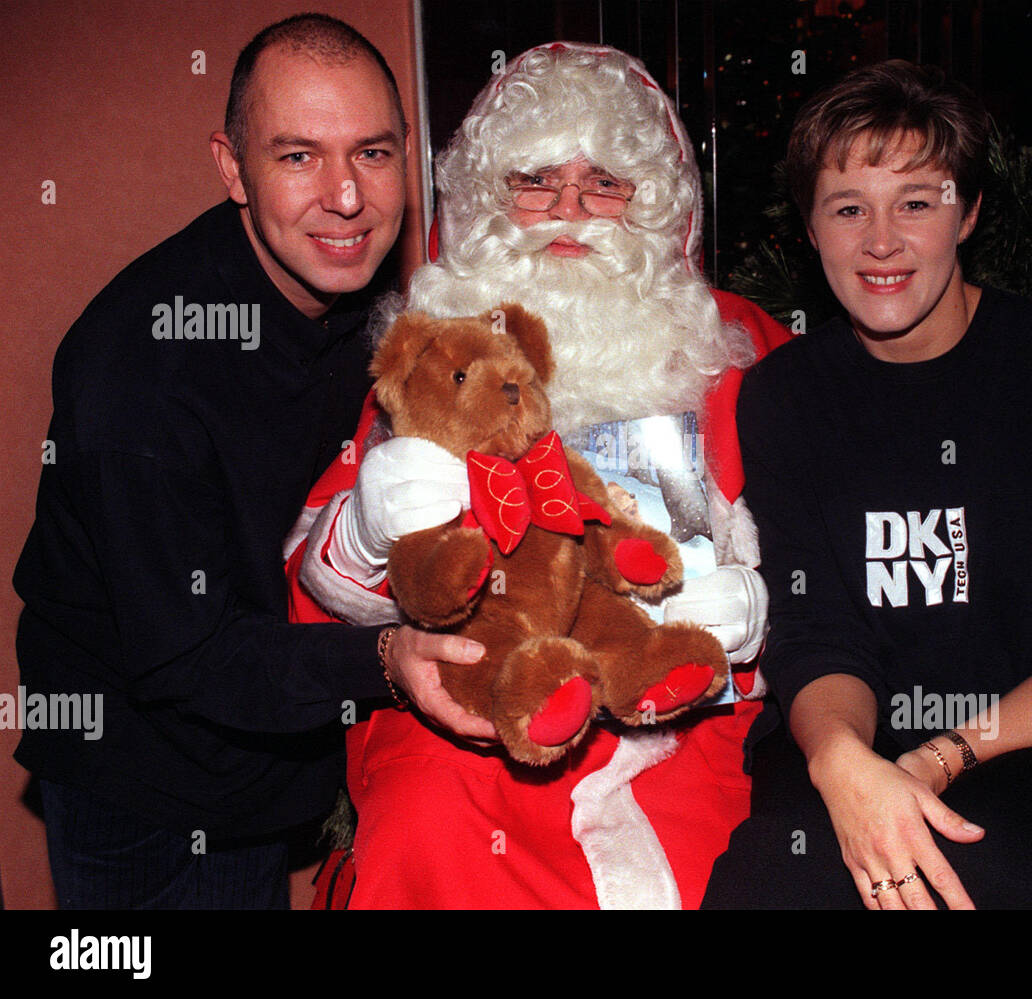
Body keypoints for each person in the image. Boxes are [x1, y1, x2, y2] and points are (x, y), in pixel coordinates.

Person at [286, 42, 791, 909]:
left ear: (654, 204)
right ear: (489, 201)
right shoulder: (434, 344)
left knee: (727, 865)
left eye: (606, 183)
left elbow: (840, 573)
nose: (571, 212)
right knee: (423, 835)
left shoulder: (741, 346)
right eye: (535, 181)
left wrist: (750, 623)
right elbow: (319, 586)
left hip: (682, 720)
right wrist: (375, 527)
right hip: (469, 712)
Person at [701, 60, 1032, 909]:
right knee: (778, 883)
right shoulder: (784, 395)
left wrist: (940, 758)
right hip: (849, 731)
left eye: (917, 202)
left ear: (968, 212)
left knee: (973, 881)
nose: (882, 241)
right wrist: (843, 764)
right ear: (811, 229)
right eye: (848, 207)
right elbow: (813, 627)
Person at [13, 13, 481, 909]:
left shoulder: (350, 283)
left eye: (373, 154)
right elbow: (186, 655)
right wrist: (385, 659)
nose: (345, 198)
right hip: (142, 771)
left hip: (270, 733)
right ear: (232, 166)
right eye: (298, 156)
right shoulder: (139, 370)